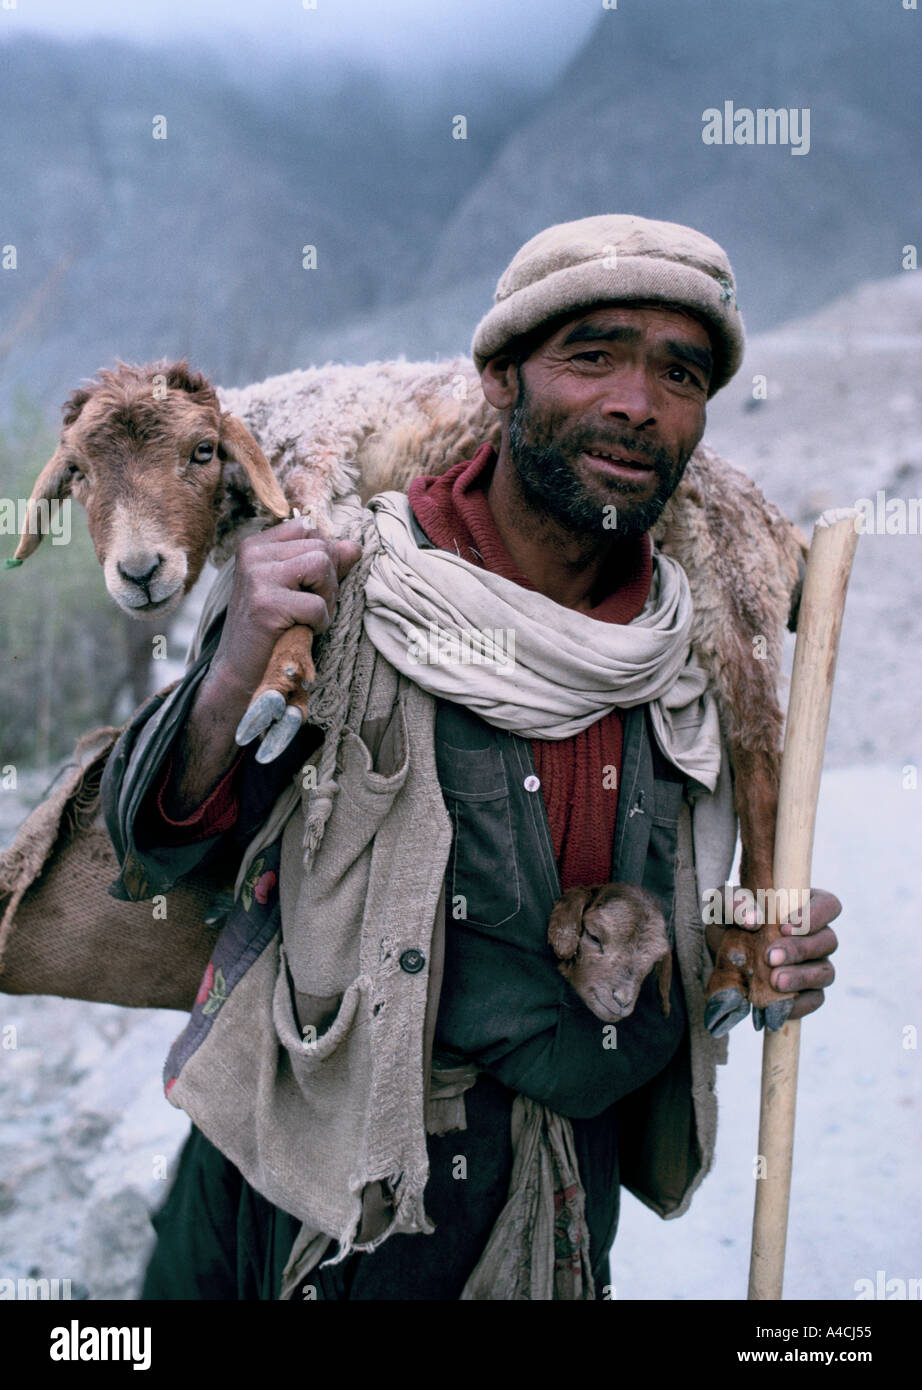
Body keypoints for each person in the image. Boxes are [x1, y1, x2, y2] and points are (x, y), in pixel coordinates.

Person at [102, 214, 840, 1300]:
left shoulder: (687, 651)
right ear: (499, 376)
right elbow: (156, 844)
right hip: (297, 1195)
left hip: (550, 1207)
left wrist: (744, 961)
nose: (635, 402)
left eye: (678, 373)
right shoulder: (349, 581)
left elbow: (684, 929)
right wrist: (230, 674)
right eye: (592, 355)